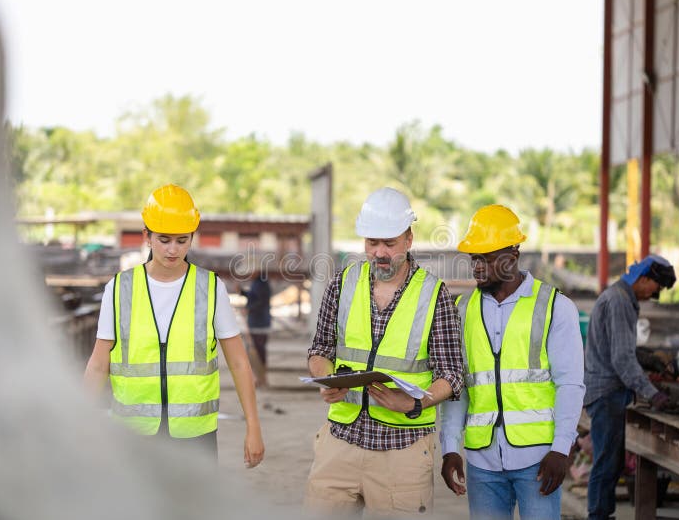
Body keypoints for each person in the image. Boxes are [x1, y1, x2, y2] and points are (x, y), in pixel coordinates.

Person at [305, 187, 464, 516]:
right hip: (340, 443)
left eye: (389, 243)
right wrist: (326, 378)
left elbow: (453, 373)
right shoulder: (342, 283)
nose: (379, 252)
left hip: (402, 451)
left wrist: (415, 401)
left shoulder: (434, 294)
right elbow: (319, 350)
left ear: (409, 239)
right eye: (371, 242)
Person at [83, 184, 265, 466]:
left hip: (195, 436)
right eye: (164, 239)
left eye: (182, 240)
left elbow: (239, 363)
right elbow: (97, 365)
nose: (172, 249)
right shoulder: (119, 289)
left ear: (192, 238)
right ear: (147, 236)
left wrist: (253, 426)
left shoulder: (210, 288)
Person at [439, 204, 586, 520]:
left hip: (539, 459)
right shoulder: (462, 310)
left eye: (487, 259)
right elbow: (458, 386)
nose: (477, 268)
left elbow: (570, 383)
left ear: (513, 255)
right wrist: (450, 446)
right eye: (474, 259)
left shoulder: (555, 307)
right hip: (482, 462)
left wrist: (562, 448)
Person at [583, 254, 676, 520]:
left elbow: (619, 348)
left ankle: (601, 514)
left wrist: (649, 359)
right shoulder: (620, 301)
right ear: (644, 278)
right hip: (606, 394)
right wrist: (653, 393)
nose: (654, 295)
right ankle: (598, 515)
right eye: (655, 288)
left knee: (610, 461)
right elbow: (622, 359)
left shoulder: (618, 297)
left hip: (607, 392)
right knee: (607, 462)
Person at [241, 271, 272, 387]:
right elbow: (253, 297)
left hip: (261, 323)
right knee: (253, 351)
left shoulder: (263, 283)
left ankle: (262, 378)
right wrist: (242, 292)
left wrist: (249, 309)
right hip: (255, 323)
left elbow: (261, 301)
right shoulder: (256, 282)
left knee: (259, 351)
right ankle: (258, 378)